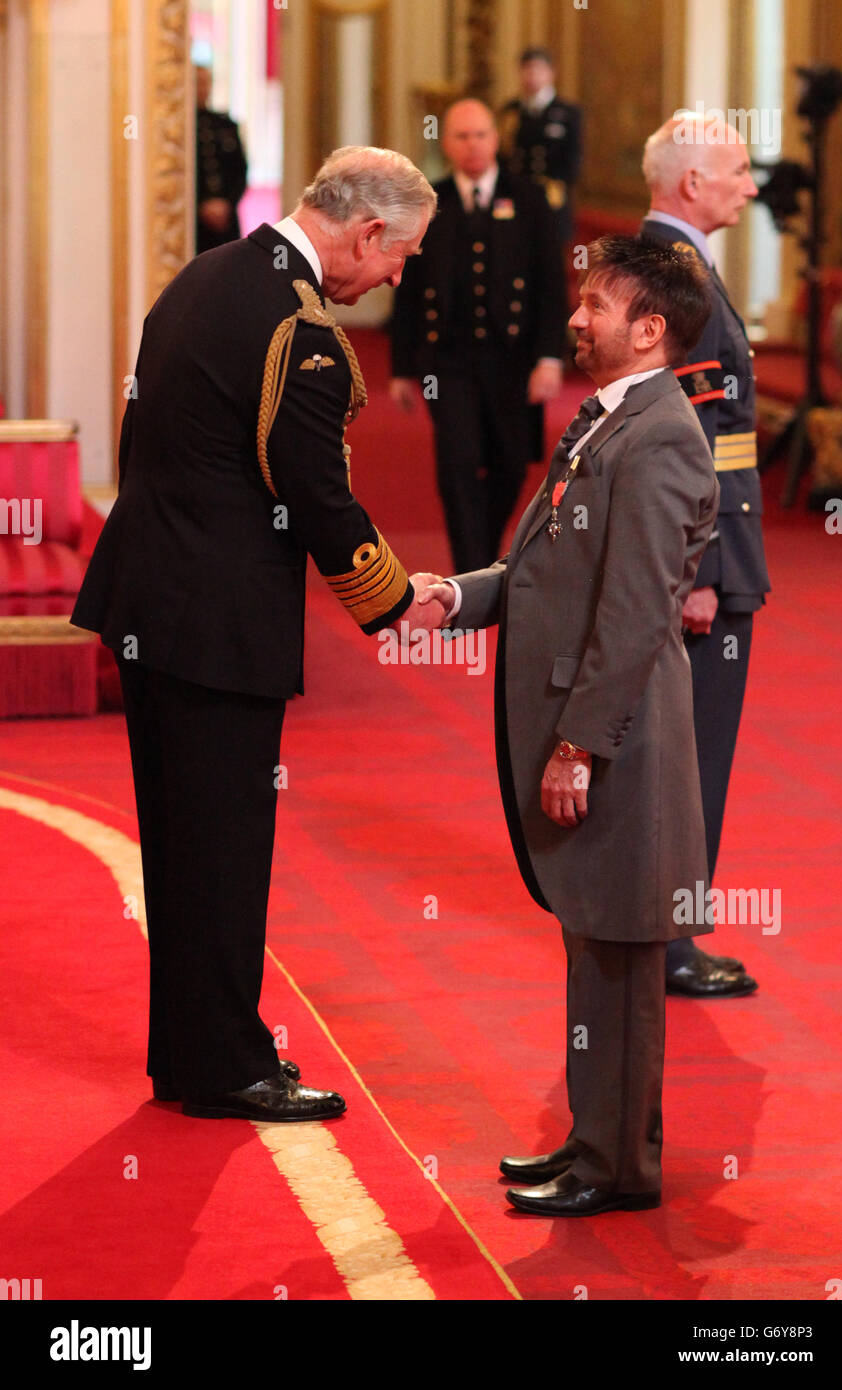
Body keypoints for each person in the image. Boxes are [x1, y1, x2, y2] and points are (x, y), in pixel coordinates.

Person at [72, 147, 442, 1123]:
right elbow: (316, 492)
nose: (397, 275)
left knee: (184, 847)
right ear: (365, 233)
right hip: (217, 623)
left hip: (153, 601)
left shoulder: (204, 274)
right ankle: (227, 1064)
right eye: (401, 255)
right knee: (223, 851)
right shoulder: (301, 328)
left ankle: (194, 1054)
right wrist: (399, 600)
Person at [414, 235, 719, 1215]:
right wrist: (449, 597)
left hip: (619, 737)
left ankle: (615, 1167)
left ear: (649, 329)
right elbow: (542, 567)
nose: (575, 318)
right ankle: (597, 1140)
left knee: (619, 955)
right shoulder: (605, 419)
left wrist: (579, 744)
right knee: (593, 945)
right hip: (593, 725)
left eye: (595, 304)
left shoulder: (661, 433)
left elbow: (631, 612)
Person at [641, 113, 770, 999]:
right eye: (735, 170)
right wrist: (697, 572)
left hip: (712, 558)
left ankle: (666, 931)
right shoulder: (679, 279)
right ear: (690, 183)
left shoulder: (671, 267)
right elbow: (687, 446)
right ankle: (671, 942)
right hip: (706, 569)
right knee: (693, 762)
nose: (750, 185)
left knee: (686, 758)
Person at [390, 98, 566, 574]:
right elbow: (407, 289)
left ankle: (485, 551)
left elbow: (552, 285)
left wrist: (551, 357)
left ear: (496, 139)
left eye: (481, 134)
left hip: (514, 358)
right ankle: (471, 574)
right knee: (458, 463)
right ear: (446, 143)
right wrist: (403, 368)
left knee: (510, 464)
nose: (472, 145)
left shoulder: (529, 198)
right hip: (446, 361)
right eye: (462, 136)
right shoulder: (430, 201)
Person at [498, 47, 582, 248]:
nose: (532, 76)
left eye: (538, 69)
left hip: (550, 197)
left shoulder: (567, 112)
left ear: (551, 73)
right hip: (514, 196)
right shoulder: (510, 111)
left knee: (549, 258)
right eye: (526, 69)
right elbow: (502, 156)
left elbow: (573, 160)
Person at [195, 64, 248, 254]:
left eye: (206, 83)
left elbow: (240, 170)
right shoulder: (179, 129)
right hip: (195, 222)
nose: (203, 88)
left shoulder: (226, 126)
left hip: (226, 220)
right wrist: (201, 204)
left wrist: (227, 203)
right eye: (197, 83)